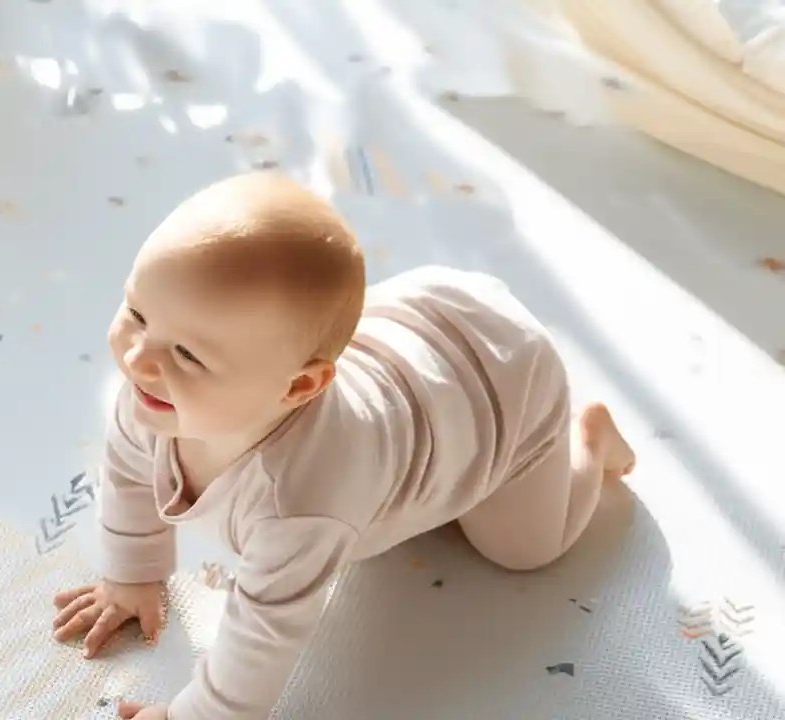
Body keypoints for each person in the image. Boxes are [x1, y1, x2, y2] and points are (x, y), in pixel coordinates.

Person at [51, 172, 635, 719]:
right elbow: (128, 475)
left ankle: (588, 442)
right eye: (136, 311)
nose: (138, 357)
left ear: (300, 386)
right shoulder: (154, 391)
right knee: (298, 322)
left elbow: (262, 632)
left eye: (188, 355)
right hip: (416, 324)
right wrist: (132, 575)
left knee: (527, 550)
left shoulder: (299, 502)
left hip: (502, 390)